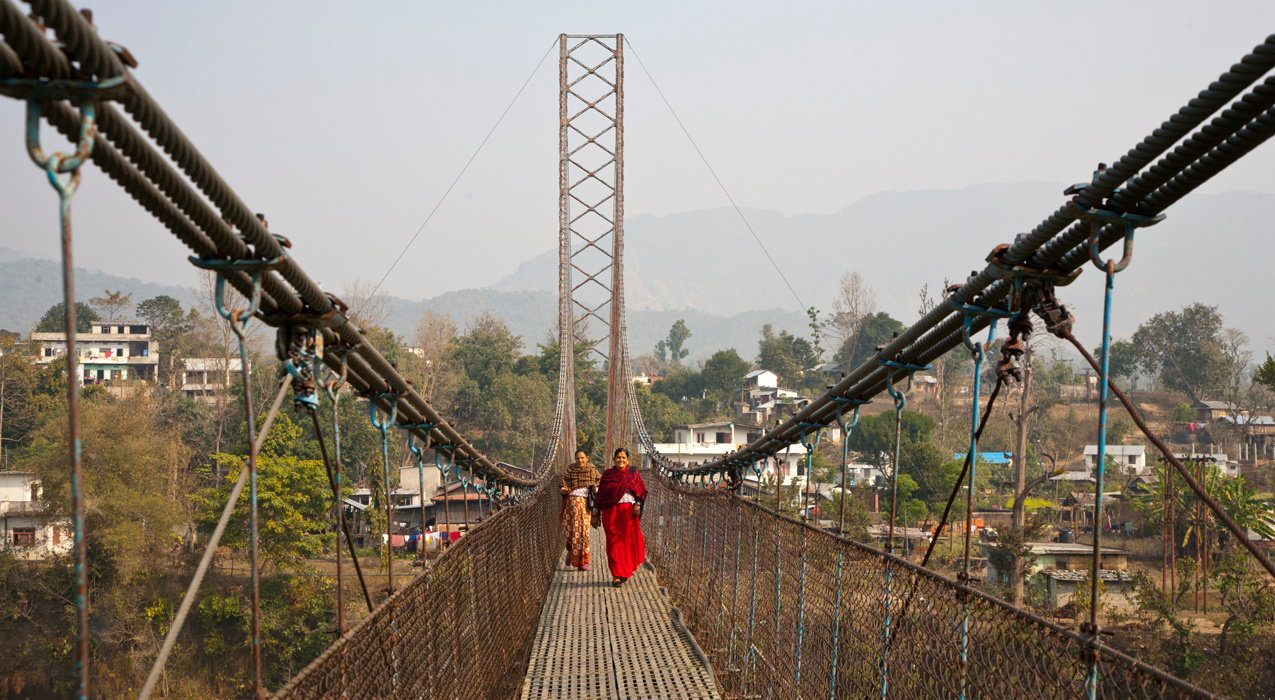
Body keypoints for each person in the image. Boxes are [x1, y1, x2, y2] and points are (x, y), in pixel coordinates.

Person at [593, 447, 647, 587]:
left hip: (628, 512)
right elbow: (600, 495)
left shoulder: (632, 473)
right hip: (611, 513)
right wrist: (595, 512)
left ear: (628, 460)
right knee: (614, 543)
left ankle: (624, 571)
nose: (620, 460)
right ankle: (616, 575)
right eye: (618, 457)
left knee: (627, 542)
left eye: (623, 458)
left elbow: (641, 491)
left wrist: (638, 504)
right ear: (613, 459)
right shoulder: (607, 474)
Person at [560, 449, 600, 571]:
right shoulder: (570, 469)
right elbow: (563, 484)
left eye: (582, 458)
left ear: (587, 458)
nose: (580, 460)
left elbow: (600, 481)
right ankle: (571, 553)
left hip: (586, 504)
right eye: (577, 458)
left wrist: (595, 487)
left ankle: (580, 561)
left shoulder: (592, 469)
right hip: (572, 504)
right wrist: (564, 489)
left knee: (583, 532)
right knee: (572, 530)